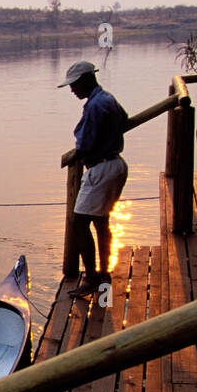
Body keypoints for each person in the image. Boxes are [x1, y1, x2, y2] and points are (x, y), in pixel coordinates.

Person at [58, 61, 129, 297]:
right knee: (101, 221)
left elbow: (86, 144)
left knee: (79, 223)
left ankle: (91, 278)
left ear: (87, 80)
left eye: (75, 85)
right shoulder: (107, 99)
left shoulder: (95, 106)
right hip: (115, 164)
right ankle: (103, 273)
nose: (72, 90)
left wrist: (77, 153)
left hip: (101, 168)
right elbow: (125, 119)